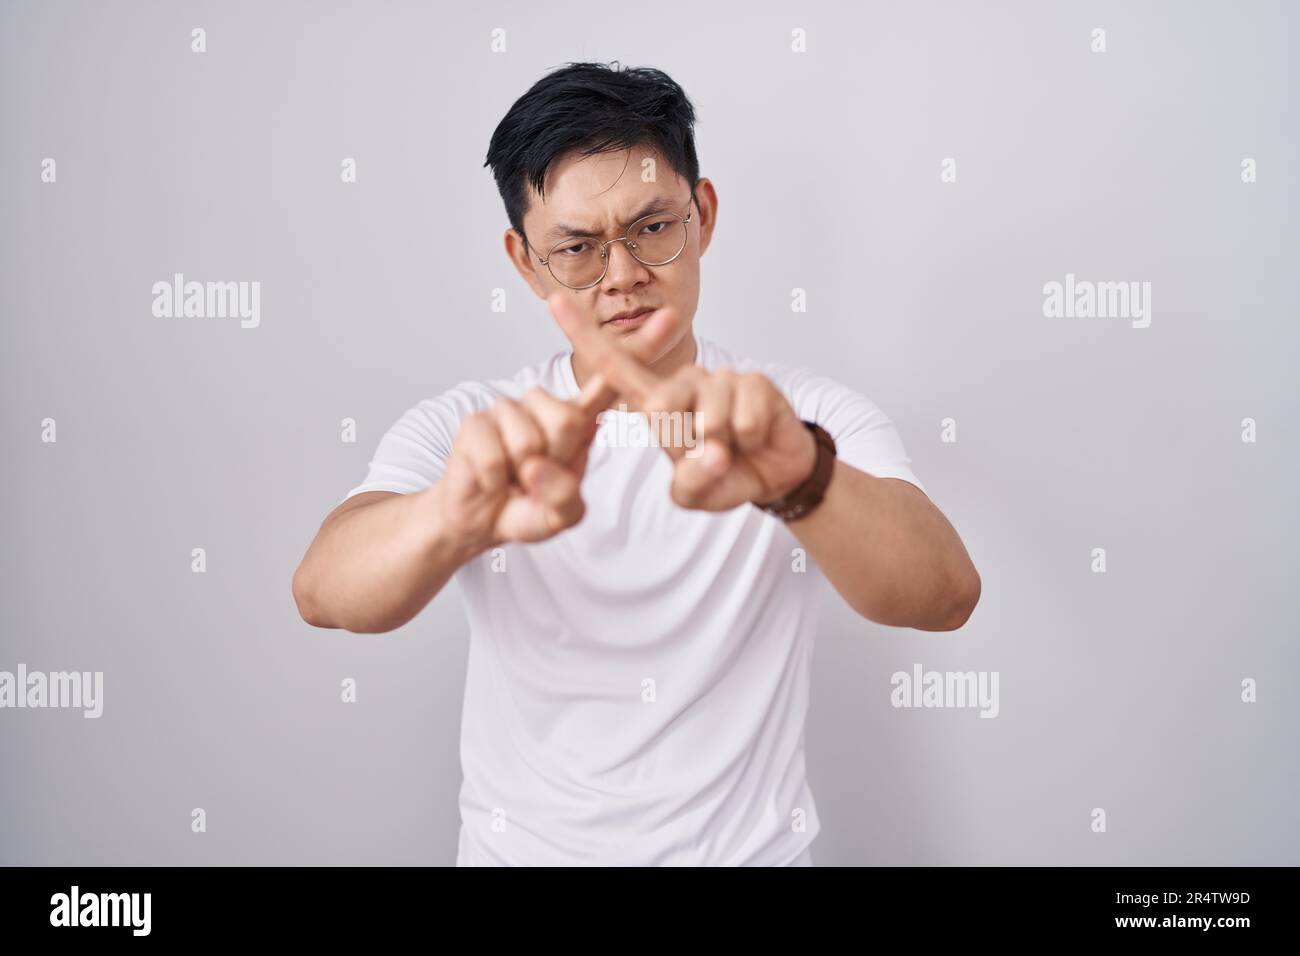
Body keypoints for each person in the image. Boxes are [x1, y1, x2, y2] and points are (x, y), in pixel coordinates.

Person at [292, 61, 981, 866]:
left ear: (705, 214)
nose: (623, 277)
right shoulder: (474, 427)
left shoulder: (800, 416)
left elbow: (945, 596)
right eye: (578, 247)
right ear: (525, 261)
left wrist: (800, 478)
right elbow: (322, 592)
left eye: (653, 228)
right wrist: (456, 513)